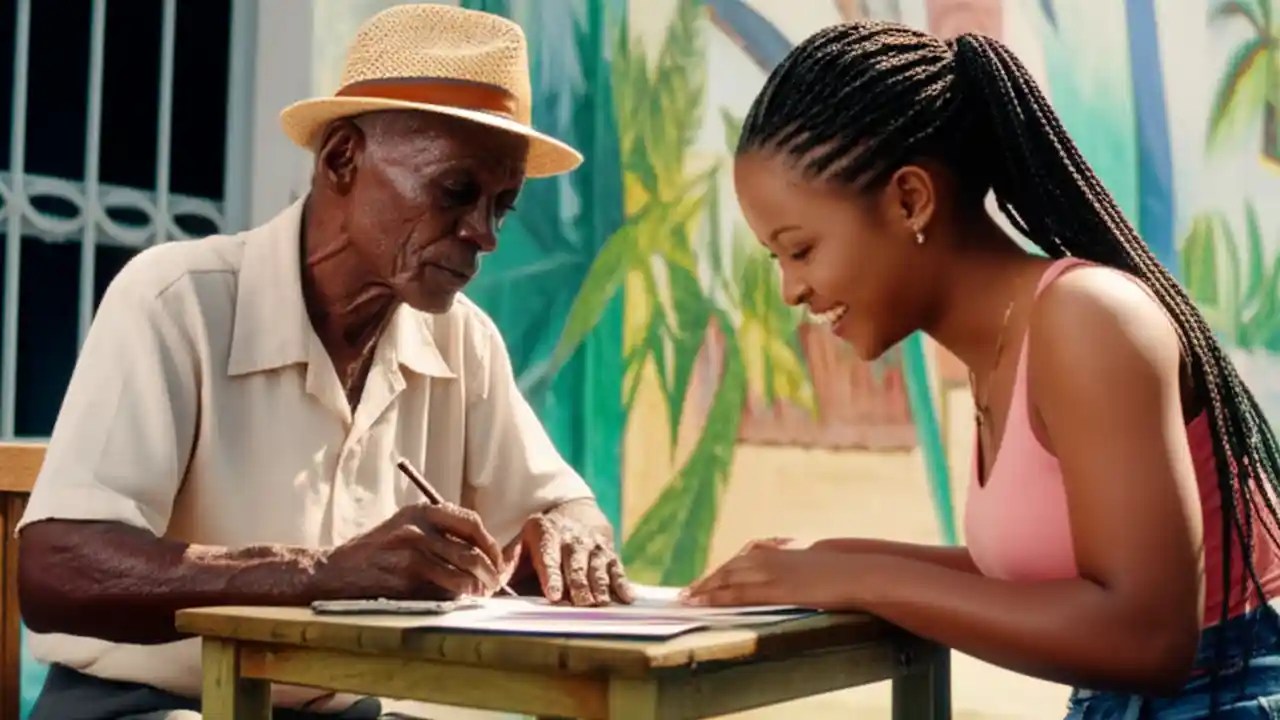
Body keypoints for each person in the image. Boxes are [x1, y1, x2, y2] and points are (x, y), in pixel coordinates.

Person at [16, 5, 631, 719]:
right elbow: (56, 568)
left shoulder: (464, 341)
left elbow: (559, 502)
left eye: (503, 206)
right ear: (342, 158)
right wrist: (321, 575)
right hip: (147, 705)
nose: (483, 235)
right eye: (456, 191)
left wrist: (574, 529)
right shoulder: (178, 299)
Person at [680, 20, 1280, 719]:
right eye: (775, 258)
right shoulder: (1007, 344)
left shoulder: (1087, 320)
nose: (790, 290)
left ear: (909, 200)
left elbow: (1147, 638)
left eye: (801, 249)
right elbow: (1033, 577)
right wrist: (830, 558)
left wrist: (860, 575)